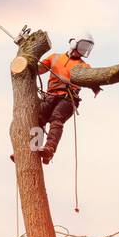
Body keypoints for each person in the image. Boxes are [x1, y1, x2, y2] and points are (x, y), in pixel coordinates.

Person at [35, 33, 94, 164]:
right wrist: (30, 63)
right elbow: (38, 70)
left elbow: (91, 79)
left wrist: (94, 86)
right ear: (74, 43)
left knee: (56, 118)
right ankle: (32, 150)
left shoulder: (84, 66)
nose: (82, 52)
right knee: (37, 118)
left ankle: (49, 149)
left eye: (85, 49)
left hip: (68, 99)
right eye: (82, 47)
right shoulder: (55, 58)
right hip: (50, 96)